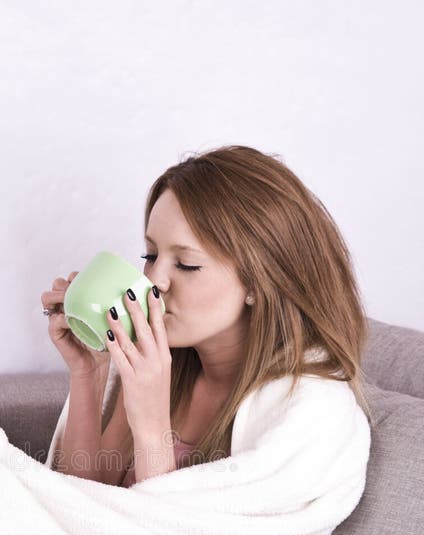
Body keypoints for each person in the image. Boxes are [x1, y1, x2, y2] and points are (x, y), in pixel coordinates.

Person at [40, 144, 373, 487]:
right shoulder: (159, 368)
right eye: (150, 254)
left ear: (258, 283)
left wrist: (152, 427)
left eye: (186, 264)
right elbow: (82, 504)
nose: (154, 281)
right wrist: (88, 374)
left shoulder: (303, 411)